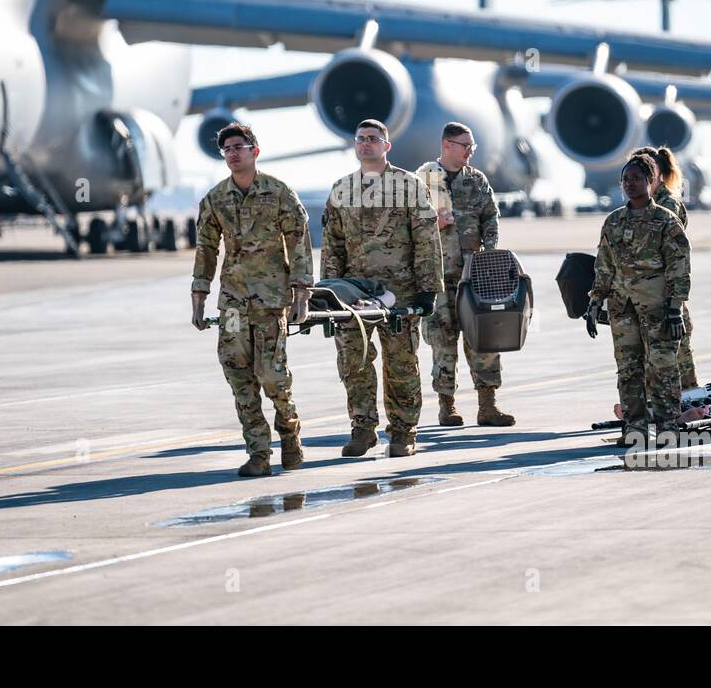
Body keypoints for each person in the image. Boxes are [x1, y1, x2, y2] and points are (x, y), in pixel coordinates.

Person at [191, 123, 313, 477]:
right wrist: (199, 296)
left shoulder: (278, 193)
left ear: (254, 151)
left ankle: (290, 437)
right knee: (237, 372)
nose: (232, 152)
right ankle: (258, 451)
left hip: (271, 301)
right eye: (226, 148)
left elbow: (299, 243)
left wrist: (301, 293)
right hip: (232, 303)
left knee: (272, 376)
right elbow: (206, 250)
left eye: (239, 146)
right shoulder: (215, 199)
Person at [322, 119, 444, 457]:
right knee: (354, 362)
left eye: (373, 139)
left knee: (401, 363)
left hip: (400, 293)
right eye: (360, 138)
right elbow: (332, 244)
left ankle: (404, 432)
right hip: (352, 297)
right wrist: (328, 294)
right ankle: (362, 429)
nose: (366, 144)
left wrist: (428, 289)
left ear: (386, 145)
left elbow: (426, 238)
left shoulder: (410, 185)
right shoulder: (341, 189)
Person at [415, 122, 514, 427]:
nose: (471, 151)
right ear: (447, 145)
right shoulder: (423, 181)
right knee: (443, 339)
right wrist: (434, 224)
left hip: (475, 275)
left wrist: (489, 253)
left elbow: (491, 218)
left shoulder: (477, 181)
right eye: (465, 146)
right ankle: (447, 407)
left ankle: (488, 406)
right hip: (438, 273)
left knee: (484, 336)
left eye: (473, 146)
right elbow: (408, 225)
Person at [585, 153, 691, 438]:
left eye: (636, 179)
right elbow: (604, 265)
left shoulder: (666, 221)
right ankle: (635, 429)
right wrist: (595, 302)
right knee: (628, 370)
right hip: (622, 308)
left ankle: (669, 427)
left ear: (651, 181)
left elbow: (679, 267)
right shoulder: (613, 222)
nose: (630, 184)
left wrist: (675, 307)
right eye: (625, 179)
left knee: (663, 369)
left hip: (657, 308)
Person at [630, 146, 699, 389]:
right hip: (644, 294)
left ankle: (689, 401)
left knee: (678, 355)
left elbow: (669, 252)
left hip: (666, 292)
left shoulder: (668, 203)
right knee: (650, 354)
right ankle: (657, 403)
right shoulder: (638, 203)